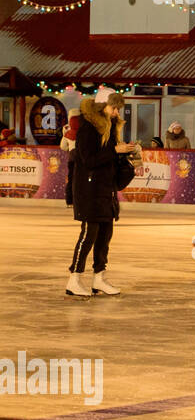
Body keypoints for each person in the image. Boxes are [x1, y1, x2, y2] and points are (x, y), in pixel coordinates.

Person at [66, 87, 138, 297]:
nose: (117, 112)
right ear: (101, 107)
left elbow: (109, 162)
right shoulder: (88, 129)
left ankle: (99, 278)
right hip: (89, 191)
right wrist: (114, 150)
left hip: (105, 191)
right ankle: (74, 278)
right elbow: (89, 160)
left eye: (118, 109)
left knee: (105, 235)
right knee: (89, 234)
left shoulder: (109, 129)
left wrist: (128, 158)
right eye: (114, 108)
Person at [60, 111, 80, 208]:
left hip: (72, 158)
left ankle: (70, 201)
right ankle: (80, 200)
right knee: (82, 180)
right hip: (82, 159)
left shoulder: (67, 132)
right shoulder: (84, 131)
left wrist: (69, 147)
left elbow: (63, 146)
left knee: (71, 179)